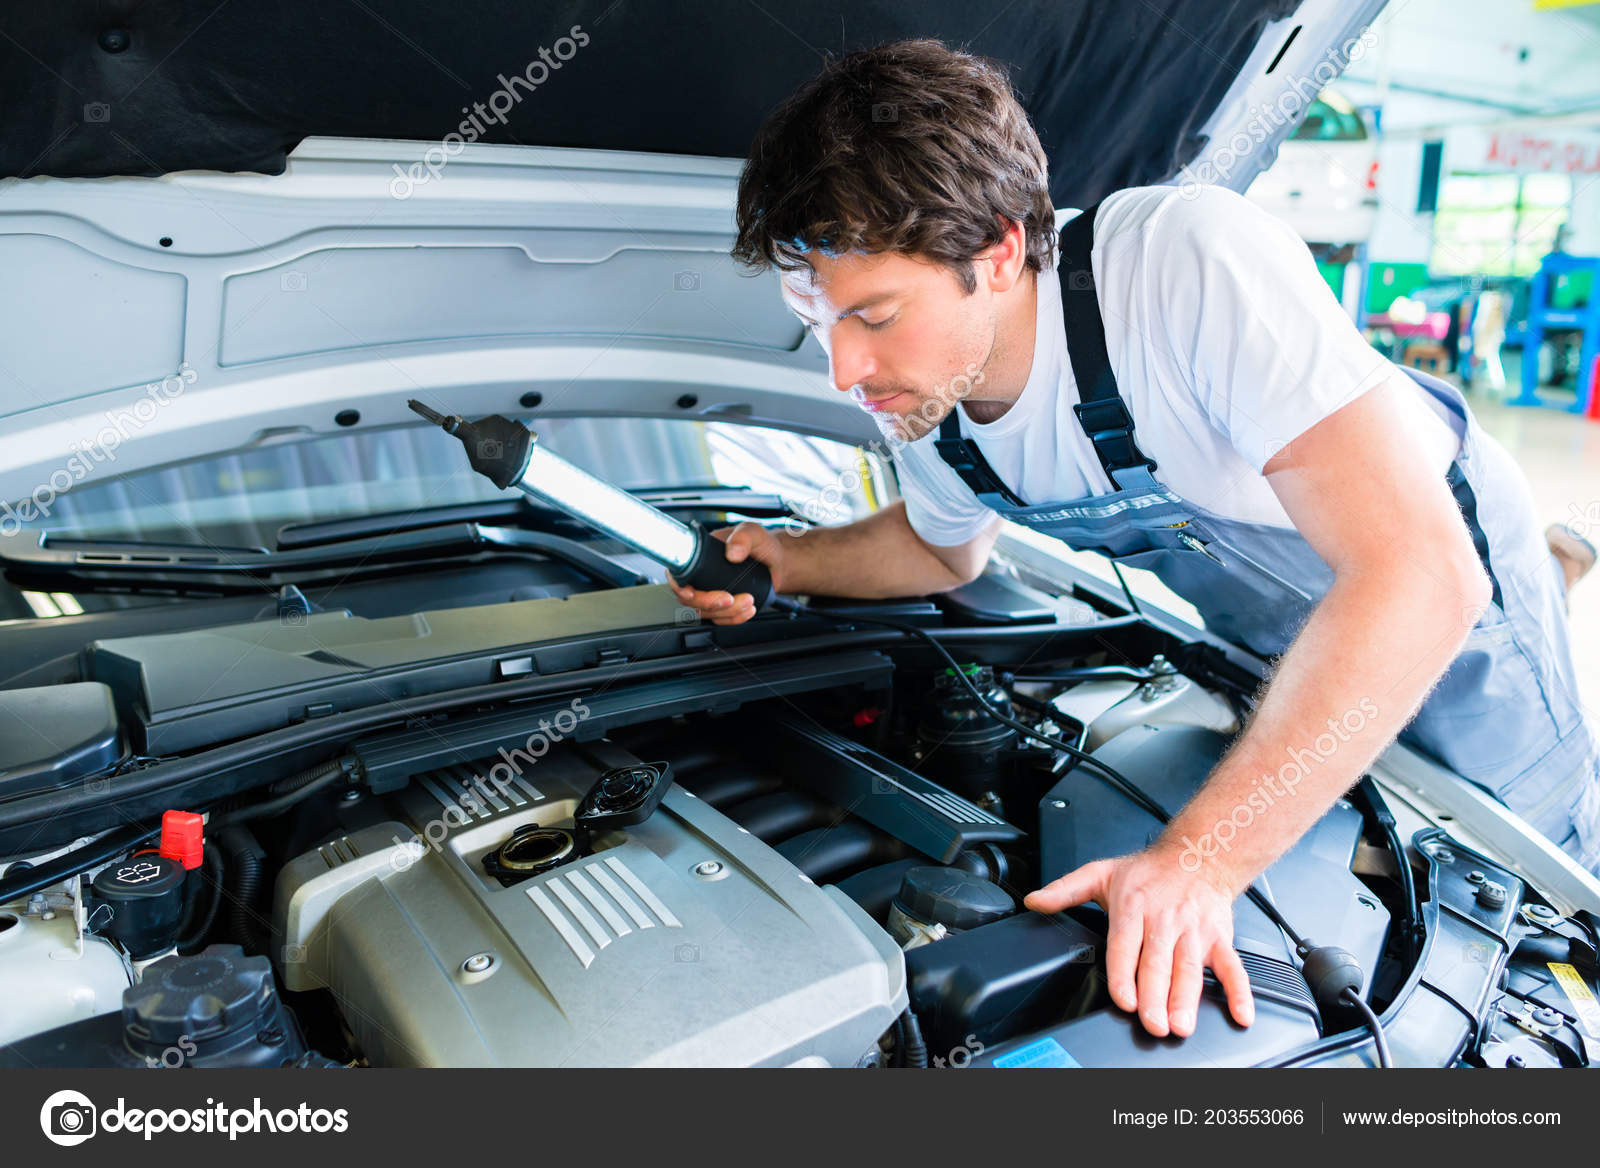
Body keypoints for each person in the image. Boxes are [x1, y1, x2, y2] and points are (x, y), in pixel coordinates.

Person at [670, 39, 1600, 1039]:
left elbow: (1416, 578)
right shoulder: (932, 401)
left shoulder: (1179, 265)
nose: (842, 370)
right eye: (815, 321)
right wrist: (793, 556)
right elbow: (946, 554)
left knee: (1529, 887)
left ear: (994, 249)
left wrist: (1200, 863)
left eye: (874, 316)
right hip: (1283, 630)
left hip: (1441, 579)